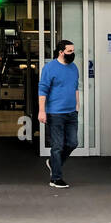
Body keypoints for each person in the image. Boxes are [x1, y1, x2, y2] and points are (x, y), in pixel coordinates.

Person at [38, 38, 79, 189]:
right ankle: (55, 178)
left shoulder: (74, 67)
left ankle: (53, 163)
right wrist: (42, 111)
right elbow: (42, 90)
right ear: (61, 52)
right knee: (57, 146)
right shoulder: (50, 68)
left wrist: (77, 106)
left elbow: (75, 88)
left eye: (73, 51)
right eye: (69, 51)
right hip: (55, 113)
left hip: (71, 112)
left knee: (73, 143)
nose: (72, 53)